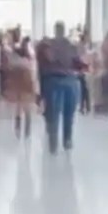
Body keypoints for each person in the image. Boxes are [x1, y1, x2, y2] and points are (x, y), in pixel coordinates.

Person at [37, 22, 82, 154]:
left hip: (52, 81)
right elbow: (78, 64)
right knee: (69, 113)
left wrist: (40, 90)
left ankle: (53, 144)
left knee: (52, 114)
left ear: (55, 30)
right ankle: (67, 140)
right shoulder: (71, 46)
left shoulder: (47, 46)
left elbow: (41, 66)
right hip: (69, 81)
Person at [3, 31, 37, 139]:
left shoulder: (11, 49)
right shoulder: (27, 50)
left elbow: (10, 61)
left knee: (19, 103)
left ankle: (19, 128)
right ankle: (27, 129)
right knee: (25, 103)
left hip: (17, 75)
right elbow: (31, 61)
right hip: (25, 75)